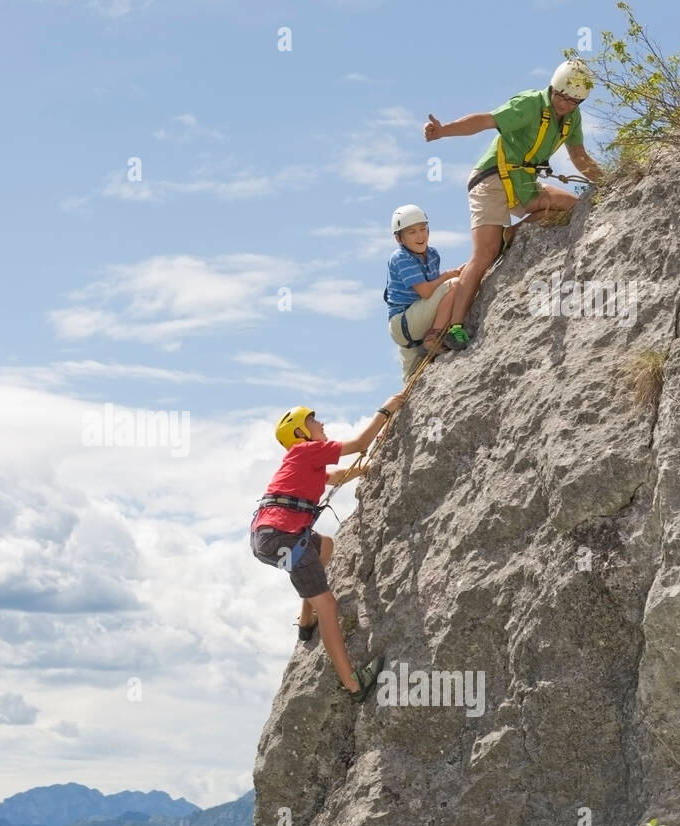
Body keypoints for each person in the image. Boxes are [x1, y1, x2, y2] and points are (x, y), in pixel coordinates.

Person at [423, 59, 604, 329]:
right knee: (485, 254)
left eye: (574, 102)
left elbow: (579, 156)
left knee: (572, 205)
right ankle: (456, 327)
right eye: (562, 97)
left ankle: (510, 233)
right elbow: (485, 121)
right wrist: (443, 131)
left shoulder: (571, 118)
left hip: (523, 182)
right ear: (553, 87)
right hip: (492, 179)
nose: (565, 105)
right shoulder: (529, 104)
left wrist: (610, 181)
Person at [250, 397, 405, 700]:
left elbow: (333, 477)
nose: (320, 424)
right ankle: (353, 685)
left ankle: (306, 623)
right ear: (300, 434)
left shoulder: (303, 462)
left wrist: (366, 469)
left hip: (272, 538)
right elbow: (360, 442)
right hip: (283, 537)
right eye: (312, 421)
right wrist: (387, 410)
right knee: (329, 606)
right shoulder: (305, 451)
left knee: (325, 547)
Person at [384, 203, 466, 379]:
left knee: (411, 383)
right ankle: (433, 337)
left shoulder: (433, 254)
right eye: (412, 232)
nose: (420, 236)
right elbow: (427, 293)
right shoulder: (400, 258)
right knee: (455, 284)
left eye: (423, 229)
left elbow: (436, 291)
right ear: (399, 239)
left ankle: (428, 340)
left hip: (415, 323)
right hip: (404, 322)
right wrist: (448, 277)